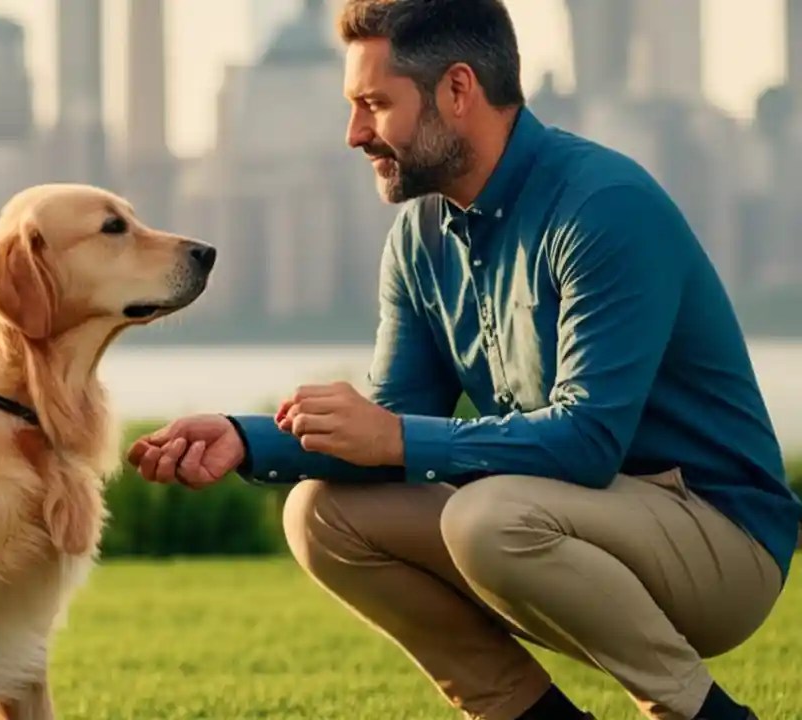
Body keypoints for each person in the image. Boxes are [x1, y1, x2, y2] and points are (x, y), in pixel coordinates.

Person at [126, 1, 802, 719]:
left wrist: (395, 437)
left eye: (375, 105)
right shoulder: (420, 237)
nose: (355, 134)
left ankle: (702, 714)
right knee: (321, 514)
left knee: (488, 517)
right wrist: (242, 437)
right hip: (560, 526)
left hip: (720, 542)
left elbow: (589, 442)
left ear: (457, 89)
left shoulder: (604, 206)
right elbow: (387, 431)